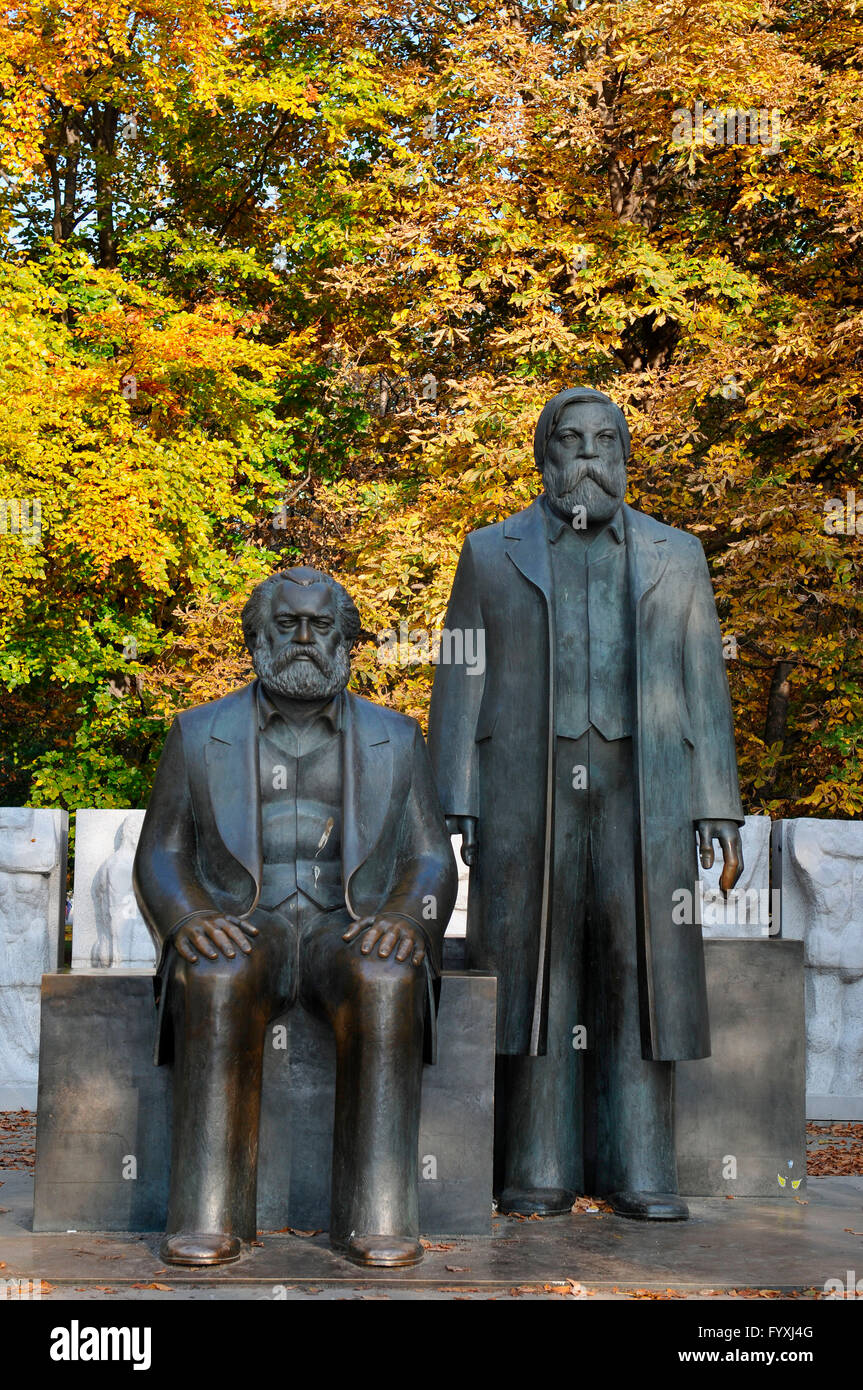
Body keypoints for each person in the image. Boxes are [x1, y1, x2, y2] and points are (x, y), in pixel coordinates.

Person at [428, 387, 744, 1220]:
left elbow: (704, 682)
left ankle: (642, 1168)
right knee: (536, 968)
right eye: (569, 440)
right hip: (523, 787)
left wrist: (718, 803)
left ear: (625, 455)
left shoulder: (678, 553)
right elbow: (460, 668)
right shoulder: (490, 551)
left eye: (604, 440)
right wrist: (452, 792)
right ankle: (536, 1167)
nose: (587, 455)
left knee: (643, 968)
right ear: (543, 455)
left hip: (650, 789)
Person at [134, 566, 457, 1267]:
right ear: (255, 638)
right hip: (246, 924)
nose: (305, 639)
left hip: (350, 924)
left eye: (322, 626)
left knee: (383, 972)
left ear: (346, 641)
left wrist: (406, 918)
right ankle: (209, 1217)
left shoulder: (396, 737)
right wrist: (187, 918)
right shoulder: (198, 732)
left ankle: (375, 1217)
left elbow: (430, 858)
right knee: (215, 970)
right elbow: (160, 854)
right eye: (287, 625)